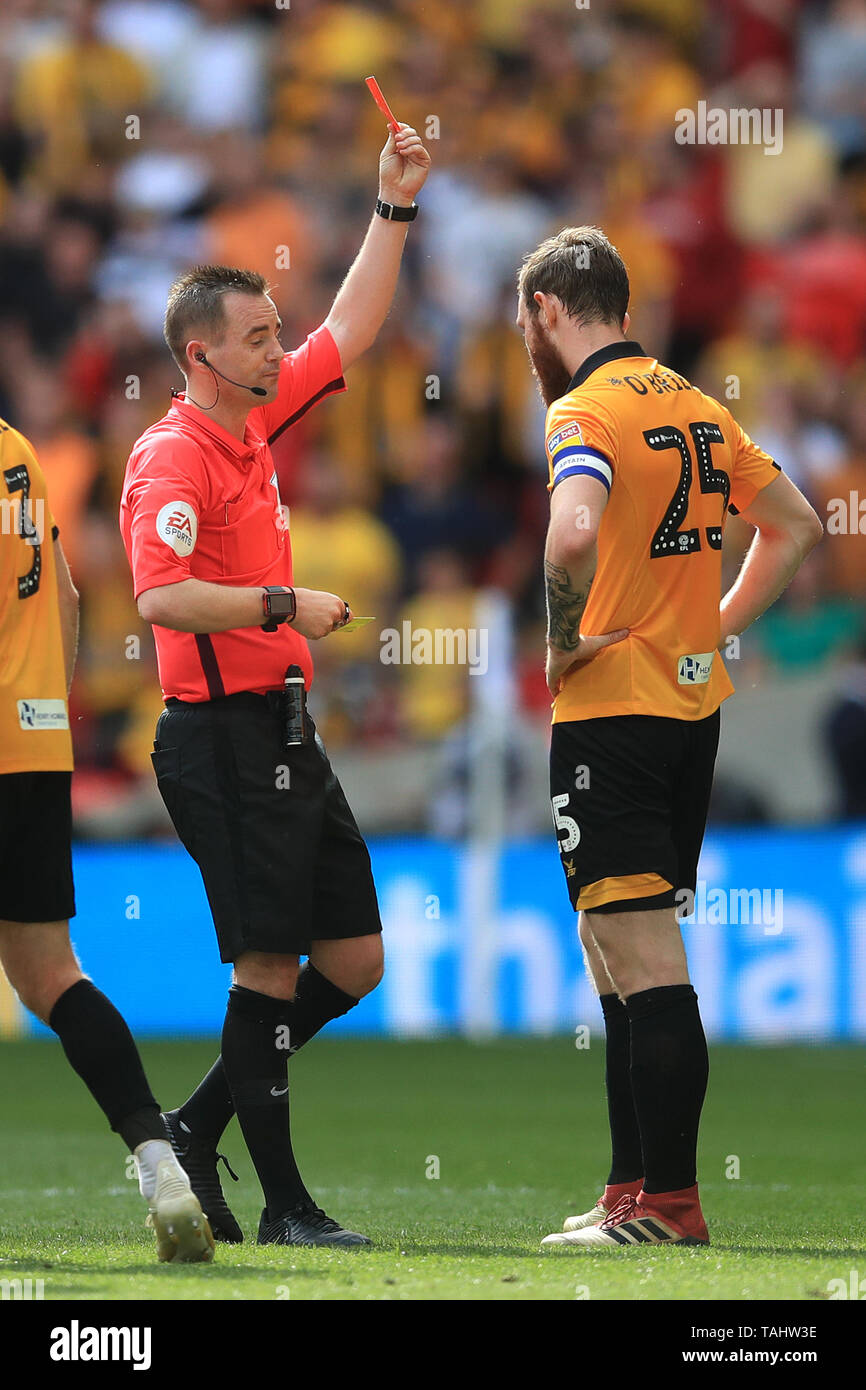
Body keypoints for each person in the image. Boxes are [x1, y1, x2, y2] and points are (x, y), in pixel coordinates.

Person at [119, 122, 430, 1248]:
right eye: (257, 337)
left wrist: (391, 205)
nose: (276, 348)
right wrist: (279, 607)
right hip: (221, 734)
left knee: (354, 960)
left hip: (285, 730)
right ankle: (289, 1205)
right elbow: (159, 598)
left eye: (272, 334)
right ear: (203, 355)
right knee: (266, 962)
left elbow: (350, 327)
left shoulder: (251, 429)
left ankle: (198, 1127)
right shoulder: (173, 456)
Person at [515, 226, 822, 1249]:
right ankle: (628, 1189)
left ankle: (674, 1207)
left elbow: (571, 529)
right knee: (613, 949)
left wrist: (561, 643)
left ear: (550, 310)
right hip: (691, 711)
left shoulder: (582, 411)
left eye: (527, 320)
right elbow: (799, 525)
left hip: (614, 713)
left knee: (642, 961)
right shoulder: (696, 404)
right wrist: (719, 624)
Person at [0, 420, 213, 1264]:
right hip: (35, 741)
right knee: (53, 974)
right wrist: (48, 718)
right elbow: (67, 598)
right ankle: (162, 1166)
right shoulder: (20, 454)